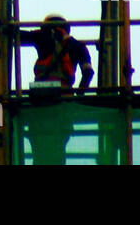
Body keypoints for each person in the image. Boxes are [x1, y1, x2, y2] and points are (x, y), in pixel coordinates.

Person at [19, 15, 93, 164]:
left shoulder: (42, 37)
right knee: (59, 147)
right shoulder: (78, 46)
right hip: (64, 101)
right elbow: (88, 72)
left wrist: (5, 23)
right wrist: (77, 98)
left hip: (40, 102)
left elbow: (18, 36)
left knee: (39, 148)